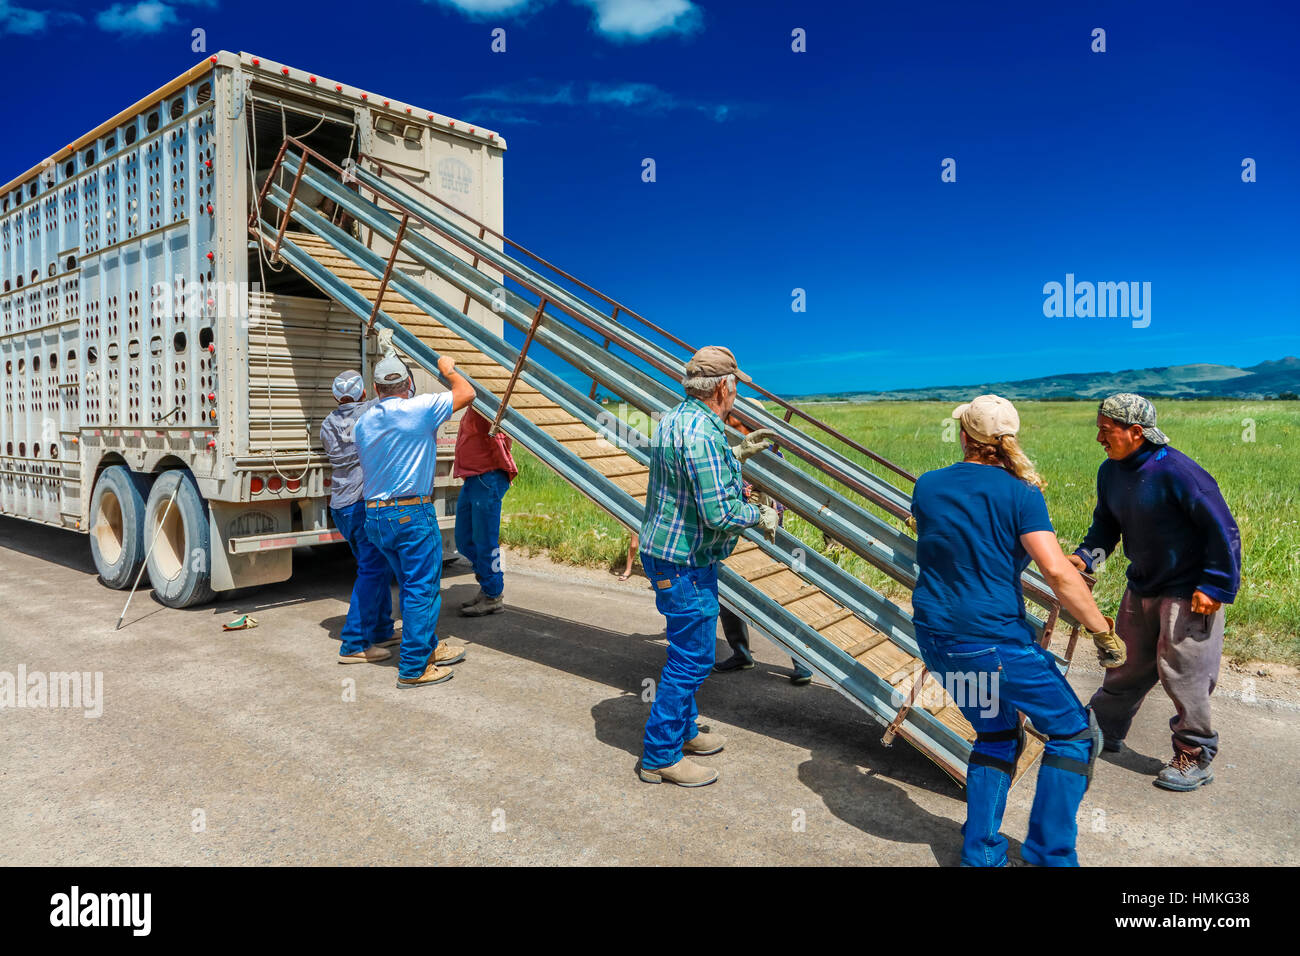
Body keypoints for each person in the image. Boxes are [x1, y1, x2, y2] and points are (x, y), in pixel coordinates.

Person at [911, 395, 1124, 867]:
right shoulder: (1022, 493)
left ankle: (982, 854)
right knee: (1073, 735)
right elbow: (1057, 571)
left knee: (997, 735)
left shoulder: (927, 486)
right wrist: (1101, 630)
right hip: (994, 641)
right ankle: (1051, 856)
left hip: (938, 637)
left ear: (964, 436)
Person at [1067, 393, 1241, 792]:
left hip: (1188, 590)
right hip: (1143, 583)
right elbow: (1106, 526)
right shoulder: (1110, 471)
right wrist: (1085, 558)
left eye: (1106, 431)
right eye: (1098, 430)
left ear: (1136, 432)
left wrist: (1215, 585)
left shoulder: (1180, 473)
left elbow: (1224, 530)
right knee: (1125, 663)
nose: (1099, 439)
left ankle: (1195, 753)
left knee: (1185, 674)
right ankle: (1101, 730)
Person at [636, 346, 779, 788]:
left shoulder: (676, 420)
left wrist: (733, 456)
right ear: (723, 386)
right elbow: (718, 513)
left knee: (685, 647)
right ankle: (660, 755)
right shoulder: (703, 433)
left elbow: (689, 473)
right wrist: (760, 517)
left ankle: (685, 731)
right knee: (692, 659)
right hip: (685, 561)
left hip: (669, 553)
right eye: (735, 384)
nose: (736, 391)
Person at [355, 353, 476, 689]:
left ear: (376, 388)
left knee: (411, 587)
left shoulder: (363, 422)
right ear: (407, 384)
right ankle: (413, 667)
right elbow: (467, 393)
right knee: (421, 589)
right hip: (411, 514)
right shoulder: (419, 408)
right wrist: (448, 370)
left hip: (376, 516)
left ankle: (428, 647)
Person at [713, 409, 814, 685]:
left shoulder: (769, 457)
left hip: (764, 532)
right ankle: (741, 652)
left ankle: (800, 660)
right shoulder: (727, 451)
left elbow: (776, 500)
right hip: (736, 530)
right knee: (728, 594)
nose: (725, 425)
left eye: (731, 421)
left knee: (776, 596)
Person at [321, 370, 397, 664]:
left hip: (341, 506)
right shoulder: (370, 412)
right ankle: (354, 642)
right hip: (364, 504)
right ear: (365, 392)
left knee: (374, 567)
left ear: (336, 397)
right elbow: (403, 395)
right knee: (373, 571)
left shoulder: (327, 424)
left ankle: (380, 628)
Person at [454, 407, 518, 617]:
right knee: (464, 540)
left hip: (487, 477)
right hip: (474, 477)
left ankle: (493, 595)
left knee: (486, 542)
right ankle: (488, 584)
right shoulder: (475, 405)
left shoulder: (491, 405)